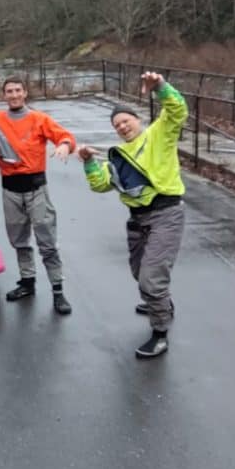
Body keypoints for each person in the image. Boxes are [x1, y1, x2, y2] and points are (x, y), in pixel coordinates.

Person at [77, 71, 188, 359]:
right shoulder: (118, 156)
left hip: (166, 213)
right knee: (141, 274)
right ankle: (162, 302)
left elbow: (178, 110)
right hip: (138, 219)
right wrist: (89, 162)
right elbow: (100, 185)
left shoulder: (158, 134)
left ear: (138, 119)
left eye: (126, 121)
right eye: (117, 125)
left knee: (151, 280)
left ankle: (160, 332)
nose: (123, 127)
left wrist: (160, 88)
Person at [0, 75, 76, 315]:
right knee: (19, 241)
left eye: (17, 90)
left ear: (25, 93)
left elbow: (64, 136)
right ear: (4, 95)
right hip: (10, 190)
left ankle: (58, 290)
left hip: (37, 189)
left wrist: (65, 145)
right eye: (9, 91)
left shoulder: (39, 119)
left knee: (47, 242)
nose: (13, 95)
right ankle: (27, 282)